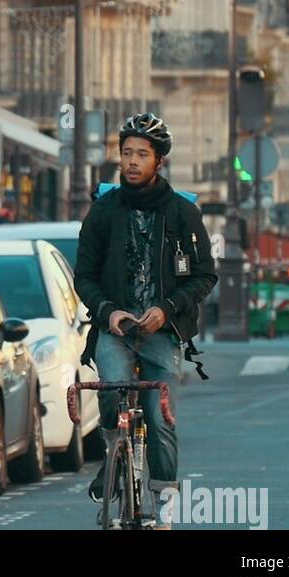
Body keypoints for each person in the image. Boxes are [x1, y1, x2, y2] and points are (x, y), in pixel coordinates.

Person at [73, 113, 218, 530]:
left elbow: (205, 274)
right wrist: (108, 312)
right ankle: (113, 456)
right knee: (110, 392)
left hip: (162, 332)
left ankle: (165, 503)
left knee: (159, 418)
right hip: (115, 329)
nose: (132, 161)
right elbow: (84, 275)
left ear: (160, 161)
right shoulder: (102, 212)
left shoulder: (182, 213)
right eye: (126, 153)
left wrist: (168, 309)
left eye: (142, 154)